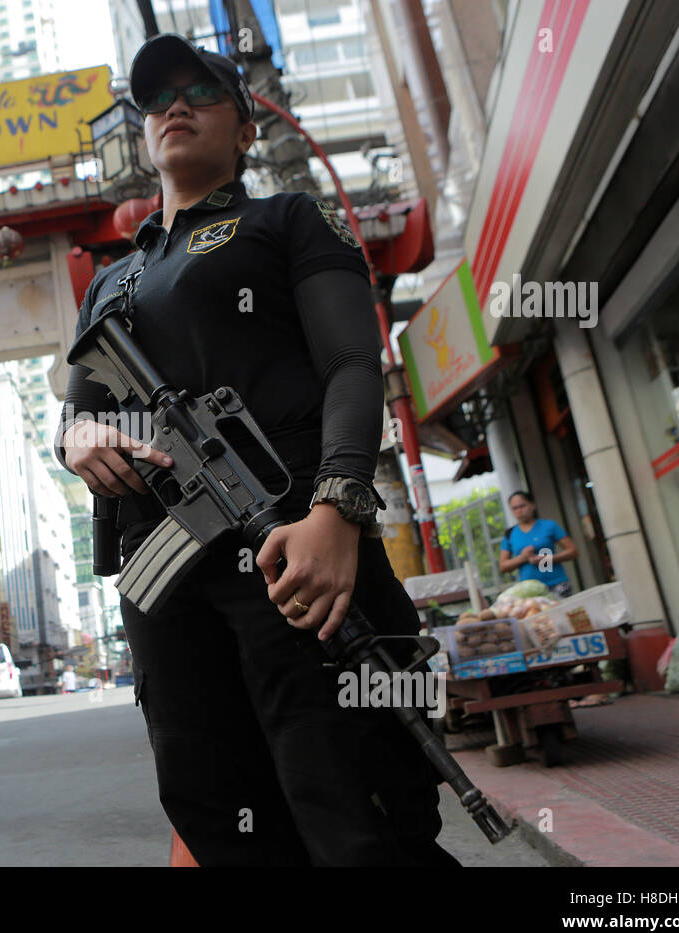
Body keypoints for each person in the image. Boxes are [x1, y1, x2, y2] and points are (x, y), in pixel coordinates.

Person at [55, 35, 458, 866]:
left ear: (244, 130)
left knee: (354, 811)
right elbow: (78, 415)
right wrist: (76, 437)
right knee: (215, 804)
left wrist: (336, 507)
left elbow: (352, 364)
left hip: (293, 550)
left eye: (199, 90)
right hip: (166, 587)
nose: (174, 105)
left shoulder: (287, 220)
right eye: (157, 96)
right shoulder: (110, 281)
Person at [498, 490, 578, 597]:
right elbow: (503, 566)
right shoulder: (510, 534)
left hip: (557, 584)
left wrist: (546, 559)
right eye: (515, 508)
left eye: (522, 506)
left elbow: (573, 551)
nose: (519, 511)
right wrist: (522, 557)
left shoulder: (549, 526)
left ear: (532, 505)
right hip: (530, 590)